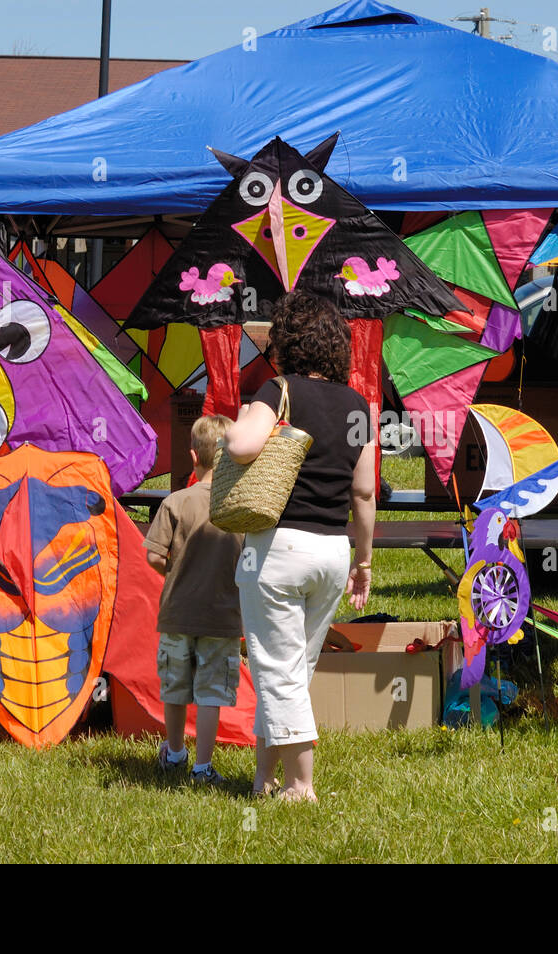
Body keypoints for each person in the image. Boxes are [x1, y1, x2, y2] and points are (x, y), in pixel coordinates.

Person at [225, 291, 376, 801]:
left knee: (277, 670)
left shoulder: (278, 389)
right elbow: (365, 491)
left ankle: (300, 786)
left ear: (287, 343)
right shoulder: (359, 406)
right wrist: (365, 561)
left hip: (277, 550)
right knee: (291, 670)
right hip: (333, 553)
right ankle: (263, 780)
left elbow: (241, 446)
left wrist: (245, 416)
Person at [143, 413, 243, 785]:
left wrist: (174, 573)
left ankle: (174, 753)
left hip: (178, 613)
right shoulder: (240, 508)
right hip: (222, 617)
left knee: (175, 686)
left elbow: (154, 555)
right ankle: (202, 766)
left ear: (192, 456)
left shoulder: (176, 502)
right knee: (210, 692)